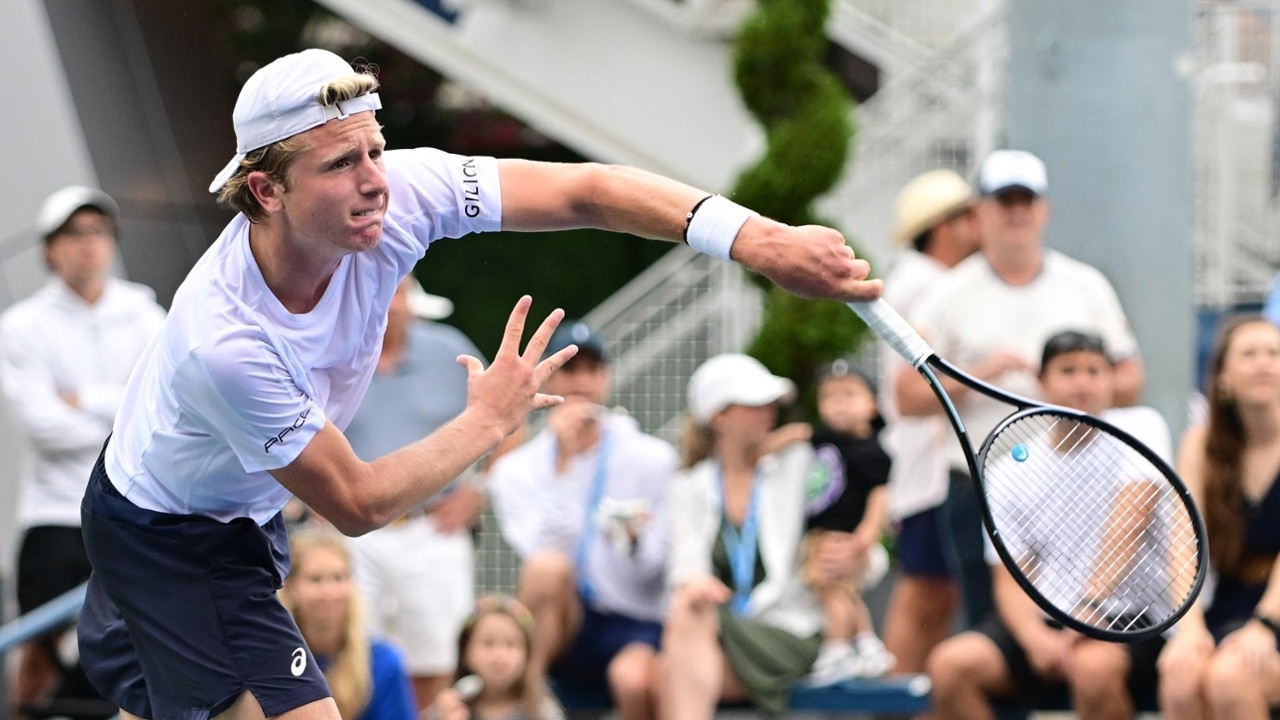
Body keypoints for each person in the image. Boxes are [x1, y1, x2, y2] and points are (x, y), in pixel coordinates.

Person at [73, 48, 880, 720]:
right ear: (265, 191)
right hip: (175, 536)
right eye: (340, 164)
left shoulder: (400, 195)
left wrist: (756, 238)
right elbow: (357, 504)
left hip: (200, 503)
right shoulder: (224, 340)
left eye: (376, 151)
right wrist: (489, 419)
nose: (375, 179)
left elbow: (584, 190)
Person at [900, 149, 1145, 629]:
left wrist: (1070, 385)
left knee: (1082, 625)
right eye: (1003, 200)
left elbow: (1132, 380)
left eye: (1025, 200)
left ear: (1044, 210)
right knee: (986, 630)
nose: (1016, 212)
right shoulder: (946, 294)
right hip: (979, 484)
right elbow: (906, 397)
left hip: (1077, 486)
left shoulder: (1085, 285)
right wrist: (979, 373)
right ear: (980, 213)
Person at [925, 330, 1168, 720]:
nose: (1083, 381)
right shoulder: (1009, 469)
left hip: (1128, 618)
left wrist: (1087, 611)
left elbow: (1131, 522)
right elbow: (1008, 575)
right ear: (1042, 381)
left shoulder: (1142, 428)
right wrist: (1034, 638)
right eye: (1068, 370)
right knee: (951, 666)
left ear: (1112, 380)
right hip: (1044, 621)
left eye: (1095, 370)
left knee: (1093, 669)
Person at [0, 186, 165, 717]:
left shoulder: (145, 312)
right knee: (40, 660)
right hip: (53, 516)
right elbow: (43, 427)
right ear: (50, 247)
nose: (89, 244)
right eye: (75, 233)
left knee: (133, 655)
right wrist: (123, 410)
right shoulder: (20, 326)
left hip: (134, 512)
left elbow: (164, 409)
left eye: (98, 232)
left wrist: (85, 401)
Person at [487, 320, 676, 720]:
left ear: (606, 378)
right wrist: (565, 464)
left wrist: (633, 538)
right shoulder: (516, 470)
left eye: (592, 371)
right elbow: (545, 553)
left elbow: (657, 568)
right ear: (548, 379)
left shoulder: (652, 459)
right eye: (569, 371)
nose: (581, 385)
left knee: (636, 682)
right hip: (562, 624)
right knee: (547, 569)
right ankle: (529, 703)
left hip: (632, 619)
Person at [659, 353, 833, 719]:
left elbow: (854, 518)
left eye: (770, 402)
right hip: (721, 631)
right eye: (754, 403)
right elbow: (685, 568)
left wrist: (857, 556)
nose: (768, 410)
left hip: (790, 630)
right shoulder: (689, 486)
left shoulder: (799, 462)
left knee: (665, 675)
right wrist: (698, 584)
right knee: (690, 610)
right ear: (718, 416)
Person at [343, 275, 488, 710]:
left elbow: (506, 417)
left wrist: (478, 490)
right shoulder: (331, 352)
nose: (389, 301)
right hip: (352, 532)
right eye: (379, 287)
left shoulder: (448, 349)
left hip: (432, 528)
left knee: (438, 653)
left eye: (398, 288)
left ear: (412, 299)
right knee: (351, 654)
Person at [874, 169, 981, 673]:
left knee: (935, 595)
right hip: (928, 467)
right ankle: (898, 702)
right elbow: (915, 389)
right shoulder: (927, 284)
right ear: (945, 226)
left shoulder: (916, 279)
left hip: (928, 465)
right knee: (924, 595)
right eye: (968, 213)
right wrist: (988, 371)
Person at [1158, 315, 1280, 720]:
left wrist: (1265, 624)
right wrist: (1188, 628)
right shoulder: (1201, 444)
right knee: (1181, 676)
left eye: (1274, 354)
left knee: (1231, 677)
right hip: (1230, 605)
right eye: (1249, 354)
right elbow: (1182, 539)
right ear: (1223, 377)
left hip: (1274, 610)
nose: (1263, 363)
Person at [802, 359, 893, 683]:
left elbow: (880, 494)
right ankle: (867, 645)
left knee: (832, 590)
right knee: (844, 592)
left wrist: (867, 535)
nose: (838, 404)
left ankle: (837, 649)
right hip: (821, 532)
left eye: (849, 395)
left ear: (874, 404)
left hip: (844, 536)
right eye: (829, 397)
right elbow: (799, 432)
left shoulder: (872, 450)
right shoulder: (823, 438)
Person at [281, 527, 416, 720]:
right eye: (315, 579)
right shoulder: (274, 661)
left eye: (339, 578)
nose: (329, 592)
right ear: (290, 588)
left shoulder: (383, 661)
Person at [427, 596, 566, 720]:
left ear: (527, 655)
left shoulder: (543, 711)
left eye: (510, 645)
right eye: (488, 643)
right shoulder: (450, 707)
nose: (499, 654)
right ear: (465, 652)